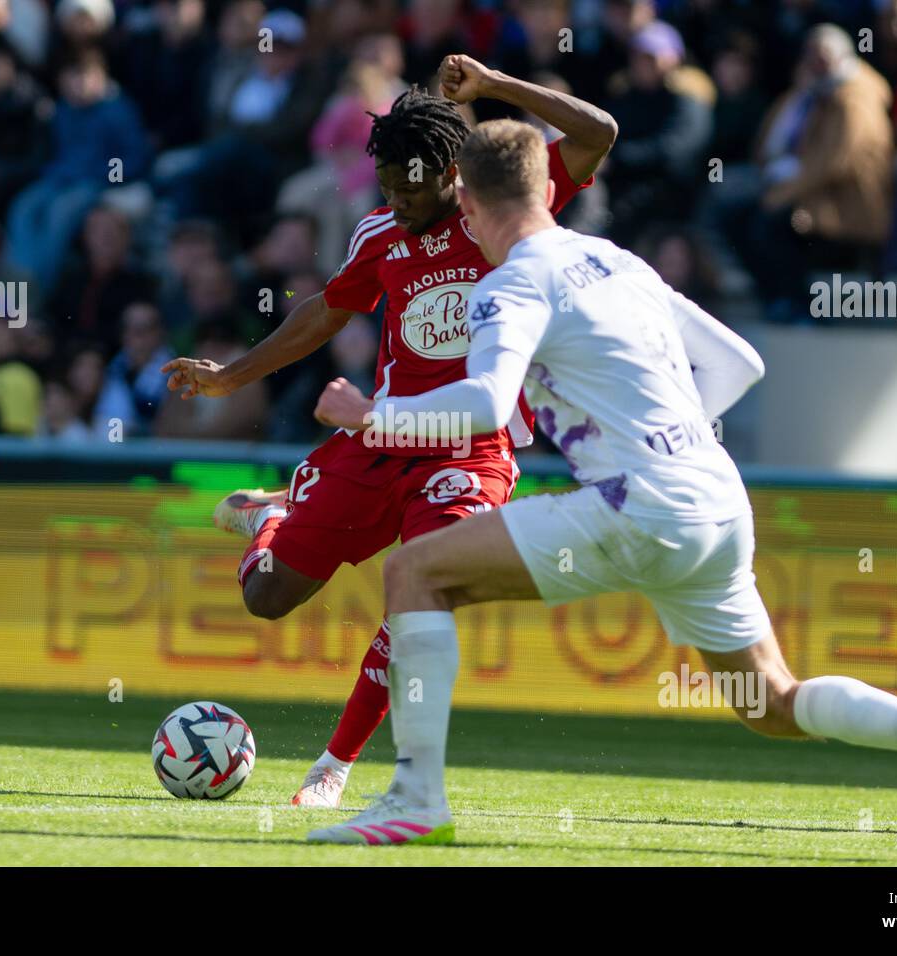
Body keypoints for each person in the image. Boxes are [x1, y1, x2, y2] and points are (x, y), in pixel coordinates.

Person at [306, 119, 897, 845]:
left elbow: (484, 407)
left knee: (413, 573)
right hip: (717, 503)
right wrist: (663, 434)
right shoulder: (619, 263)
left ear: (465, 199)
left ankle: (414, 798)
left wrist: (371, 417)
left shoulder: (508, 287)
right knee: (775, 702)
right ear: (541, 186)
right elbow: (740, 365)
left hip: (639, 505)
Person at [162, 55, 617, 809]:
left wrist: (497, 86)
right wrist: (230, 376)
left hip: (473, 448)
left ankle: (333, 766)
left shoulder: (508, 209)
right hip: (380, 440)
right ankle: (271, 517)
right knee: (268, 599)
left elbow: (598, 131)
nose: (399, 203)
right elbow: (326, 312)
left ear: (453, 172)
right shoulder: (380, 234)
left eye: (412, 189)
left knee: (421, 588)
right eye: (388, 189)